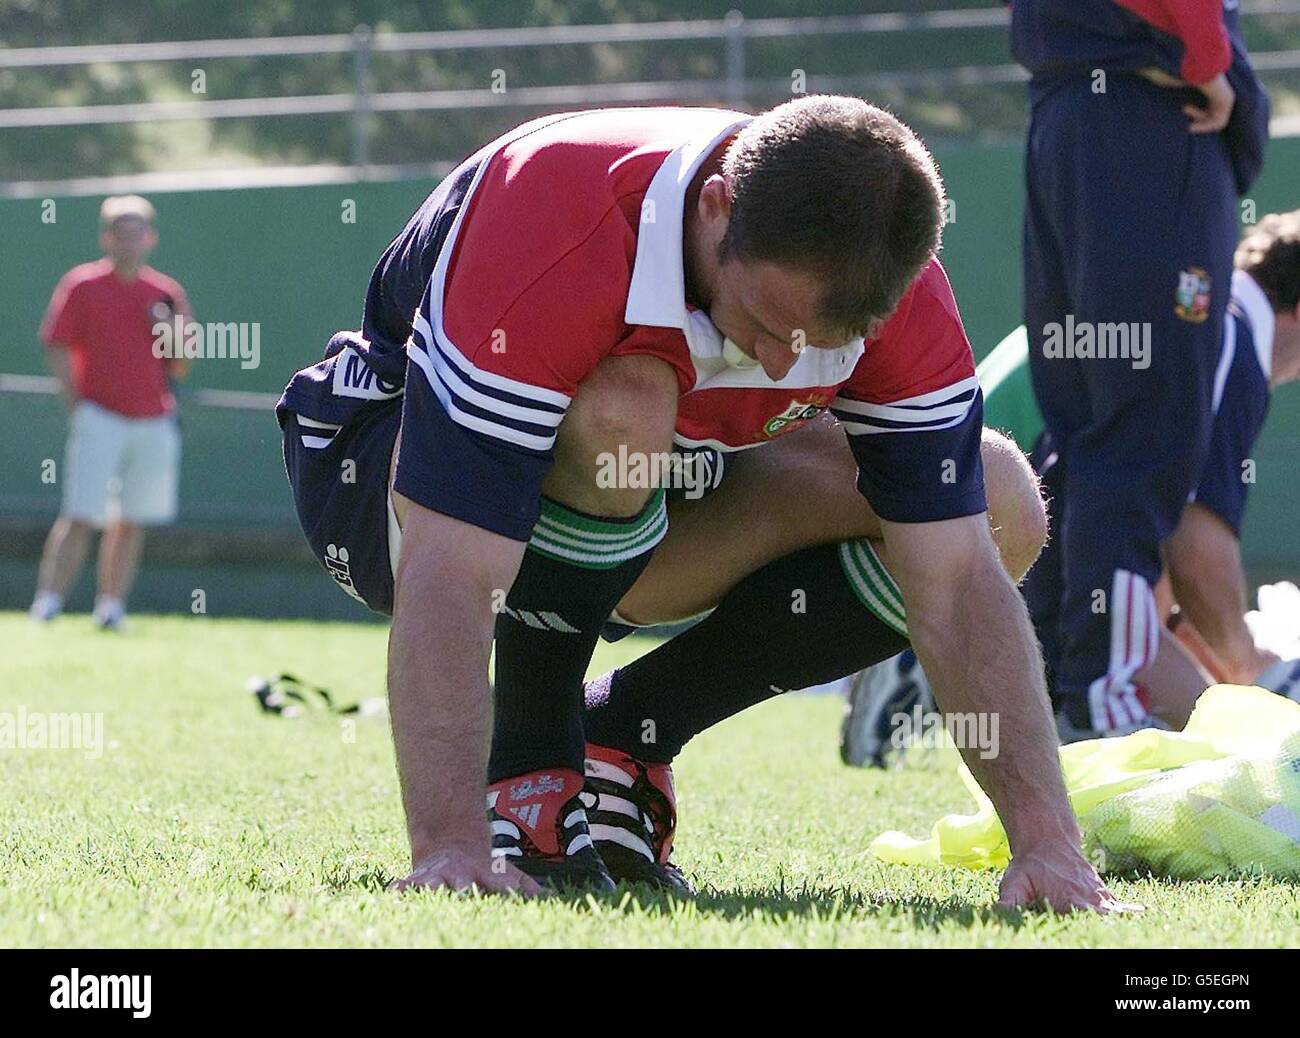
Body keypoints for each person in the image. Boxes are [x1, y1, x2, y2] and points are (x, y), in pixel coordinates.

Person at [278, 97, 1125, 912]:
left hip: (668, 493)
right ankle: (532, 767)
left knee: (1000, 501)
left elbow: (954, 581)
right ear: (716, 209)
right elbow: (452, 569)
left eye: (822, 348)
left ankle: (624, 730)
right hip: (386, 477)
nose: (780, 363)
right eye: (763, 321)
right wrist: (452, 848)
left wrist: (1047, 843)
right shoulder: (553, 213)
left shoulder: (894, 288)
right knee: (625, 408)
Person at [844, 208, 1300, 756]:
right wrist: (1252, 672)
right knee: (1127, 649)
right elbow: (1198, 551)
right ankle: (927, 652)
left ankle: (927, 645)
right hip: (989, 478)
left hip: (957, 466)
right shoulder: (1226, 334)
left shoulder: (1198, 308)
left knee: (1133, 627)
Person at [1010, 0, 1270, 735]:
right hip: (1148, 117)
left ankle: (1059, 696)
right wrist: (1210, 61)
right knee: (1142, 430)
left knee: (1086, 432)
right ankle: (1102, 699)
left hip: (1064, 113)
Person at [29, 195, 190, 631]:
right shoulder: (81, 285)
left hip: (154, 420)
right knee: (80, 514)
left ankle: (111, 607)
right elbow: (57, 343)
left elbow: (182, 363)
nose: (130, 242)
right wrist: (76, 402)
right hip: (98, 416)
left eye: (138, 234)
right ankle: (48, 603)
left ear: (150, 239)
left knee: (131, 519)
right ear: (107, 237)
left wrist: (168, 329)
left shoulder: (166, 293)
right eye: (121, 233)